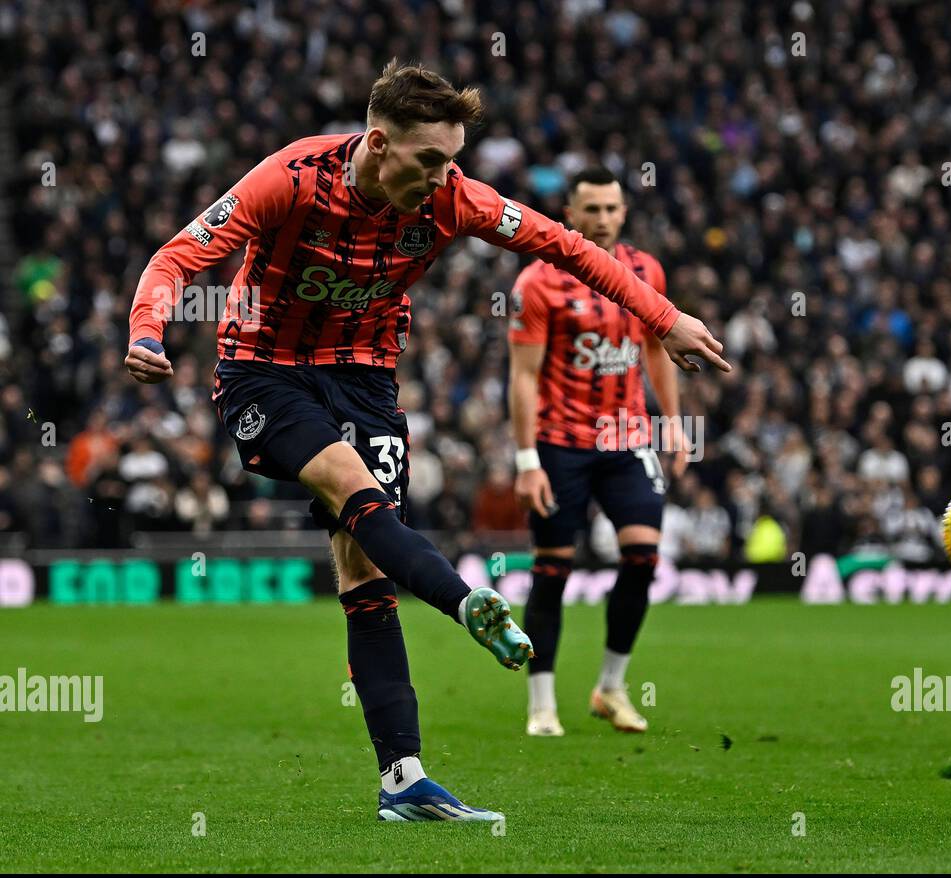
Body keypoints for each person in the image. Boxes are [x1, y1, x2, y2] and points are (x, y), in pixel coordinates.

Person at [124, 61, 728, 821]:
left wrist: (664, 318)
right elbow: (181, 254)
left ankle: (403, 778)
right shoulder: (291, 178)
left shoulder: (455, 199)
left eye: (455, 158)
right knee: (355, 491)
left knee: (365, 564)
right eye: (431, 159)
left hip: (369, 379)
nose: (447, 175)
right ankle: (465, 597)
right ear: (378, 144)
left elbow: (568, 248)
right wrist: (148, 328)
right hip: (265, 370)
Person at [507, 166, 688, 737]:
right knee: (554, 568)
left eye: (613, 209)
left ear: (624, 212)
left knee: (642, 558)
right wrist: (526, 459)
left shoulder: (645, 271)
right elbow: (523, 377)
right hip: (561, 445)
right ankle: (541, 703)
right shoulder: (537, 282)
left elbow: (657, 349)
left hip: (626, 439)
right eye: (593, 210)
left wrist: (675, 423)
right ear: (571, 214)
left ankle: (610, 688)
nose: (604, 220)